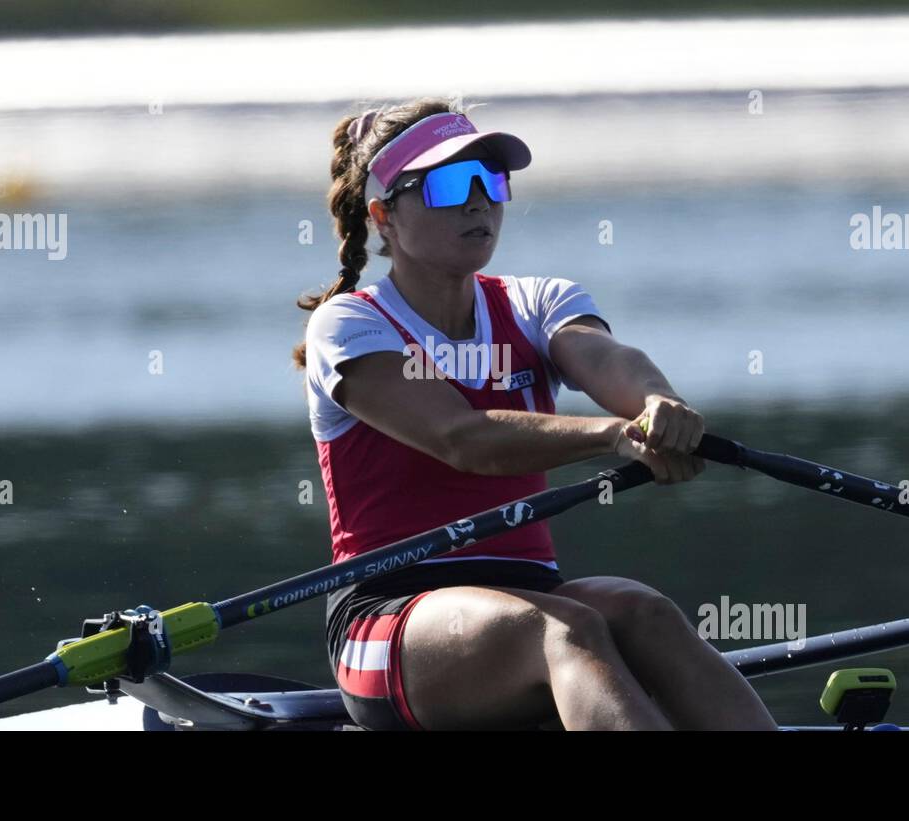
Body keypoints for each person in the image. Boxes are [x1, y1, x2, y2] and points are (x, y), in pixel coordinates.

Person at [293, 96, 776, 731]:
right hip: (387, 619)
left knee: (644, 610)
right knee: (562, 629)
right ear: (383, 215)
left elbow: (605, 358)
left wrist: (659, 404)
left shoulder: (537, 301)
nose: (477, 203)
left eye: (490, 180)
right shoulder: (350, 325)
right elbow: (462, 438)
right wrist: (613, 435)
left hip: (531, 597)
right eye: (447, 184)